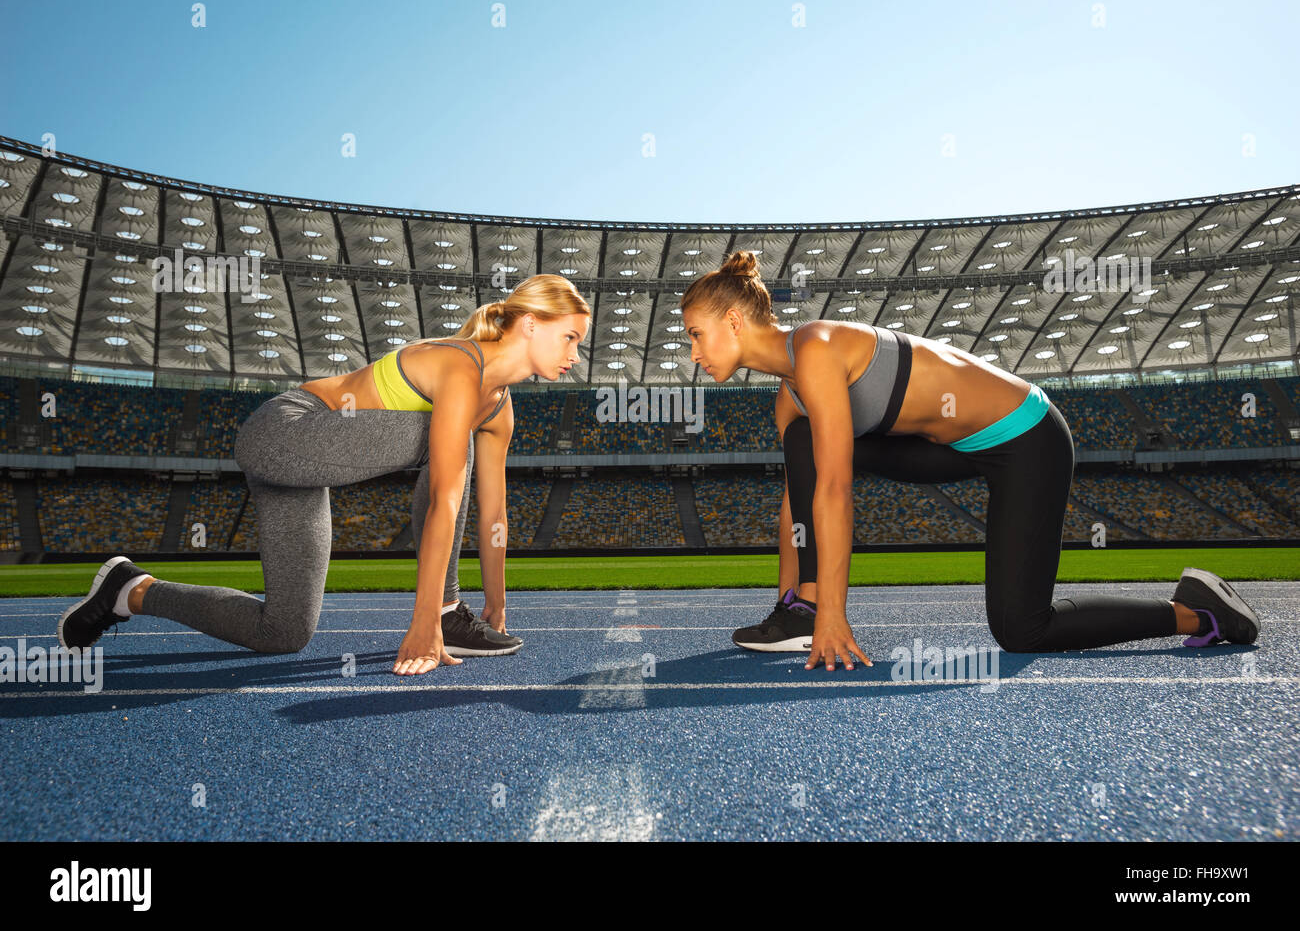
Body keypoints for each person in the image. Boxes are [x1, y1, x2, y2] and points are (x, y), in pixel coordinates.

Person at [683, 250, 1261, 671]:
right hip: (947, 450)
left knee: (1022, 630)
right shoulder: (790, 395)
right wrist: (793, 605)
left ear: (733, 321)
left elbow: (834, 490)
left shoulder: (817, 348)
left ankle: (1193, 610)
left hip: (1026, 438)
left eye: (696, 336)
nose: (693, 354)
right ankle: (799, 610)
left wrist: (835, 613)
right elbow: (798, 503)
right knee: (801, 441)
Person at [58, 274, 592, 676]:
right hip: (286, 430)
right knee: (447, 445)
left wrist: (497, 605)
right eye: (569, 337)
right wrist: (427, 619)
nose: (575, 354)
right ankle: (447, 609)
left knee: (283, 632)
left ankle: (130, 590)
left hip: (306, 468)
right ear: (528, 324)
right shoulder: (460, 367)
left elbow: (494, 515)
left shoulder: (500, 408)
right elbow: (445, 502)